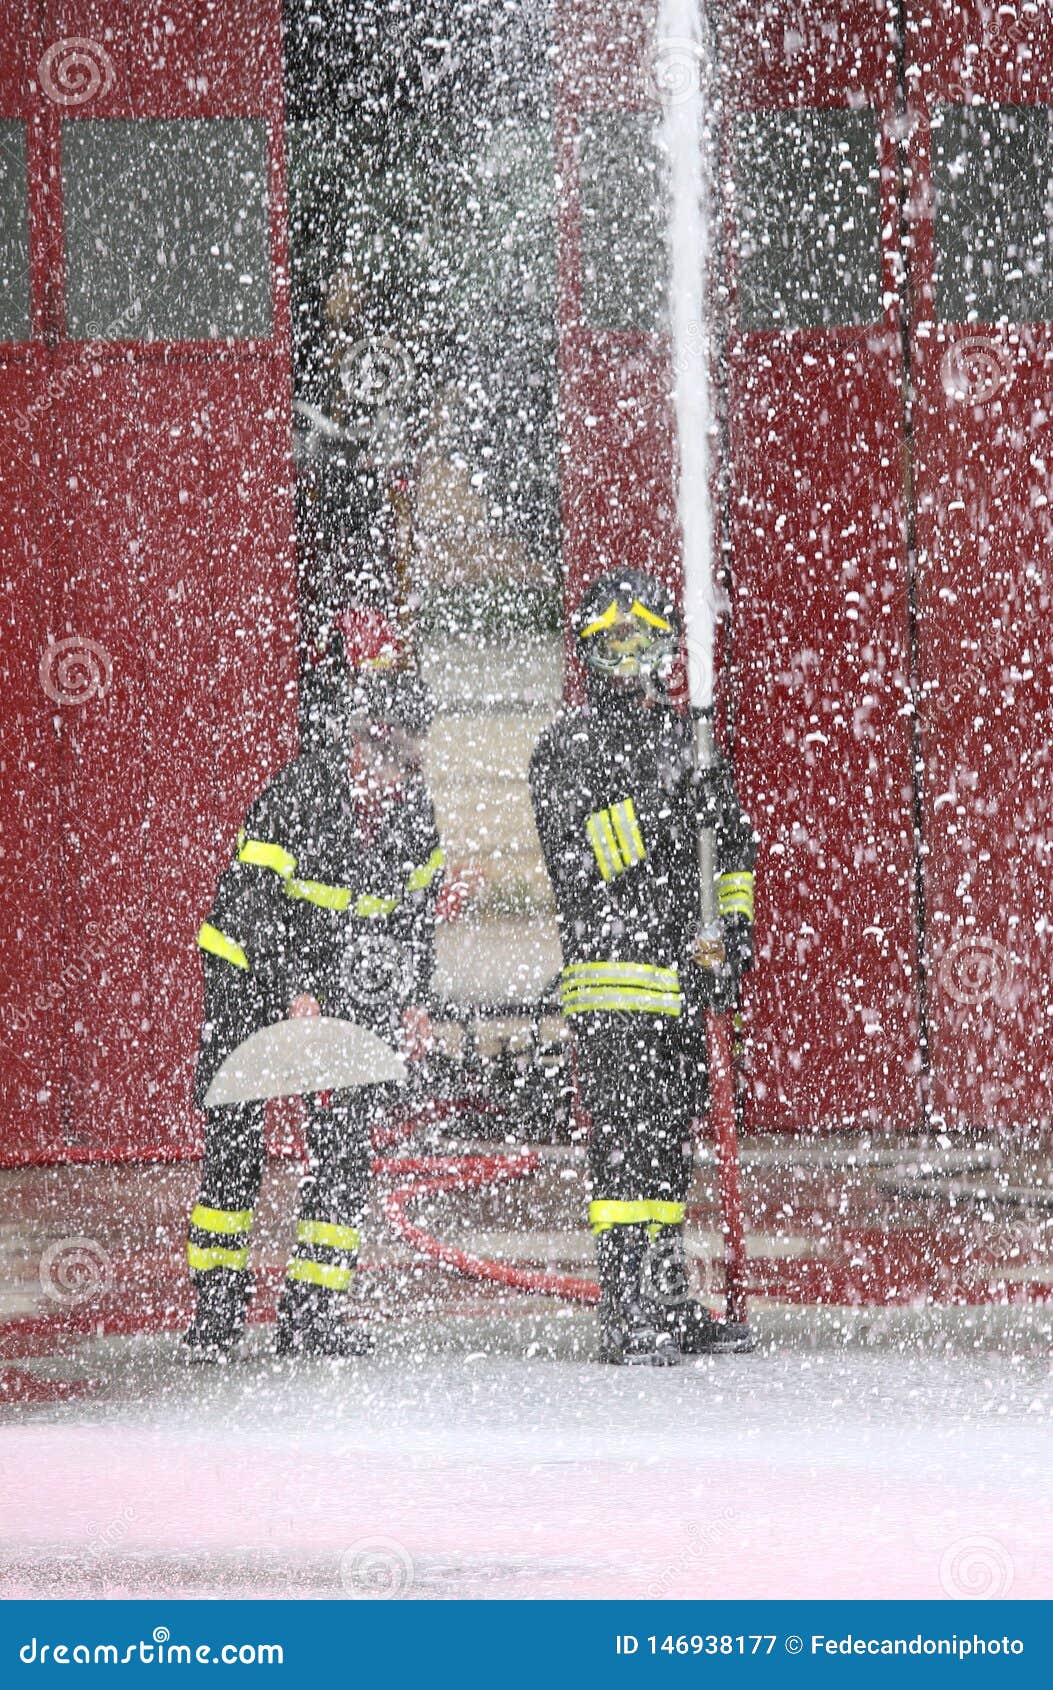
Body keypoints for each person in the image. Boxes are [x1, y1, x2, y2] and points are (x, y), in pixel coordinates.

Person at [185, 610, 443, 1362]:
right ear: (356, 739)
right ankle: (217, 1316)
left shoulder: (413, 820)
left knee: (343, 1144)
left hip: (337, 983)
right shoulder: (298, 793)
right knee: (235, 1145)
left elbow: (412, 919)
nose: (390, 776)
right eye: (382, 754)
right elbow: (260, 906)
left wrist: (413, 997)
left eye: (405, 761)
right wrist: (294, 987)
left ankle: (312, 1313)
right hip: (249, 977)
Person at [528, 569, 757, 1366]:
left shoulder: (689, 742)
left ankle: (665, 1298)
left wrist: (735, 939)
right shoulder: (565, 747)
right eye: (614, 643)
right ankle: (627, 1312)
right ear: (590, 653)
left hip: (680, 988)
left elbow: (732, 851)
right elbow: (582, 856)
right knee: (623, 1154)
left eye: (643, 641)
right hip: (613, 982)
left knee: (664, 1157)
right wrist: (667, 810)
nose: (631, 658)